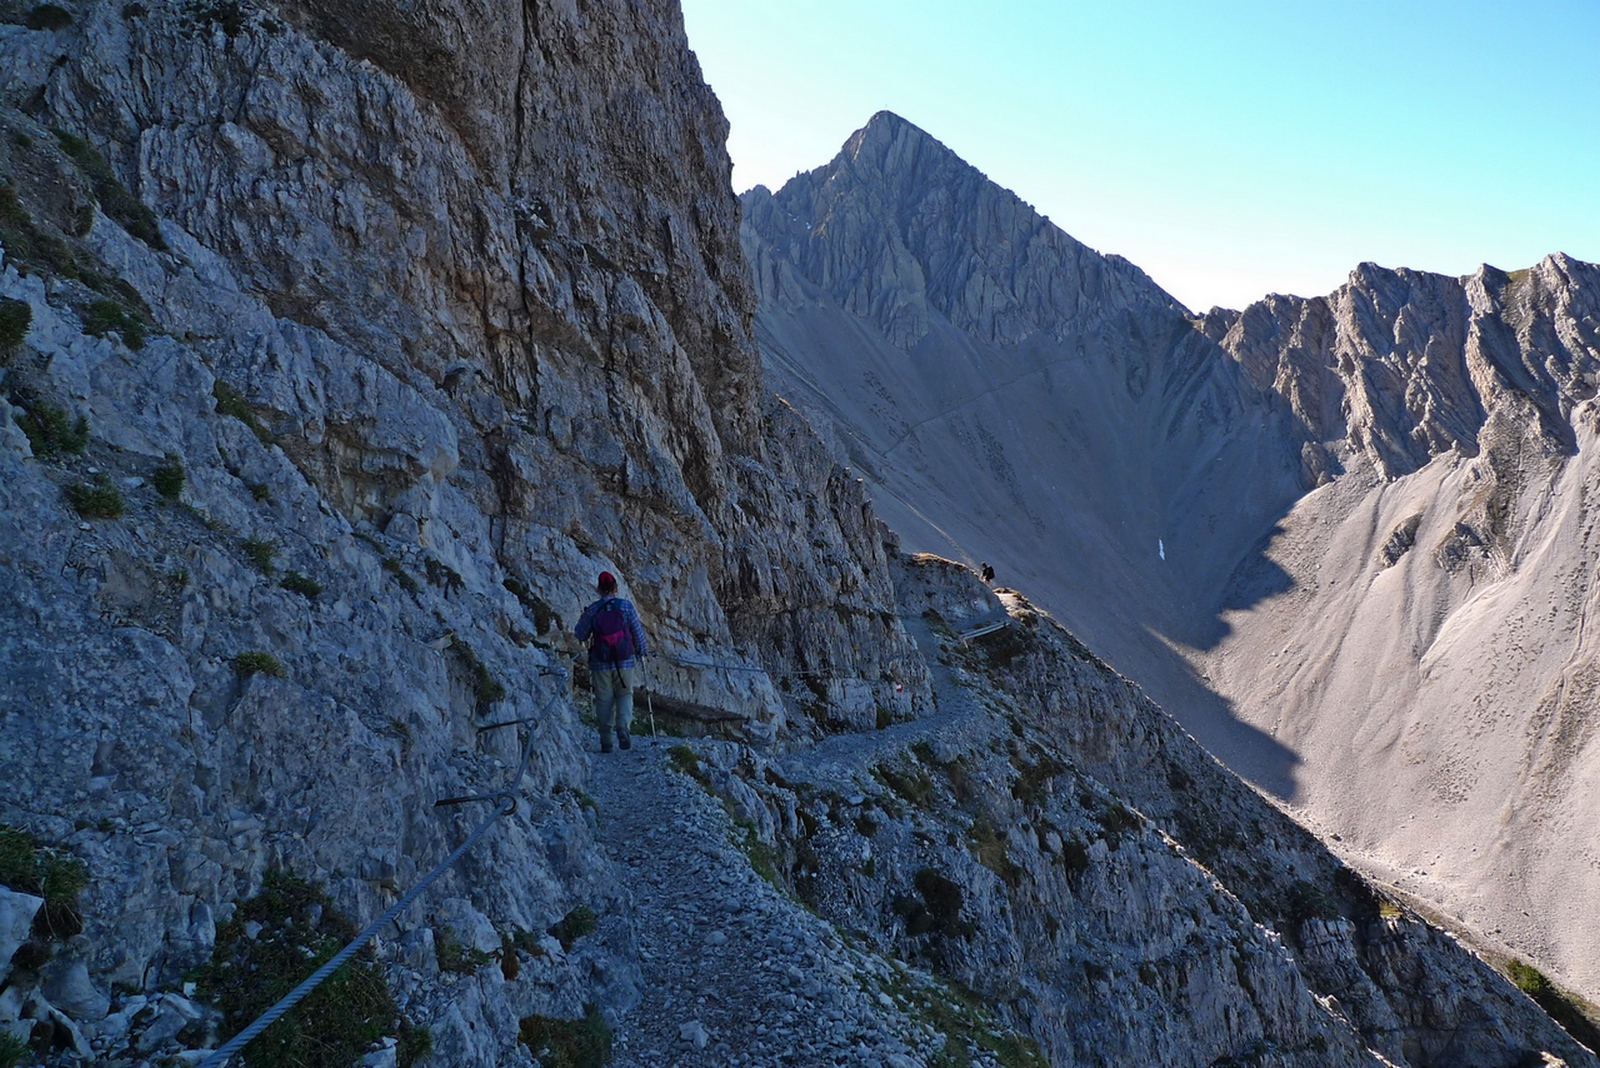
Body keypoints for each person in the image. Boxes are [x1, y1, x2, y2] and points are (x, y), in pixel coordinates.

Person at [574, 571, 649, 753]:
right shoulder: (625, 606)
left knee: (604, 699)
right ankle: (623, 727)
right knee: (625, 694)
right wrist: (641, 651)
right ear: (616, 588)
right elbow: (638, 633)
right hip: (624, 660)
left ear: (599, 589)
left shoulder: (593, 609)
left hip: (600, 661)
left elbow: (580, 633)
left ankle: (606, 741)